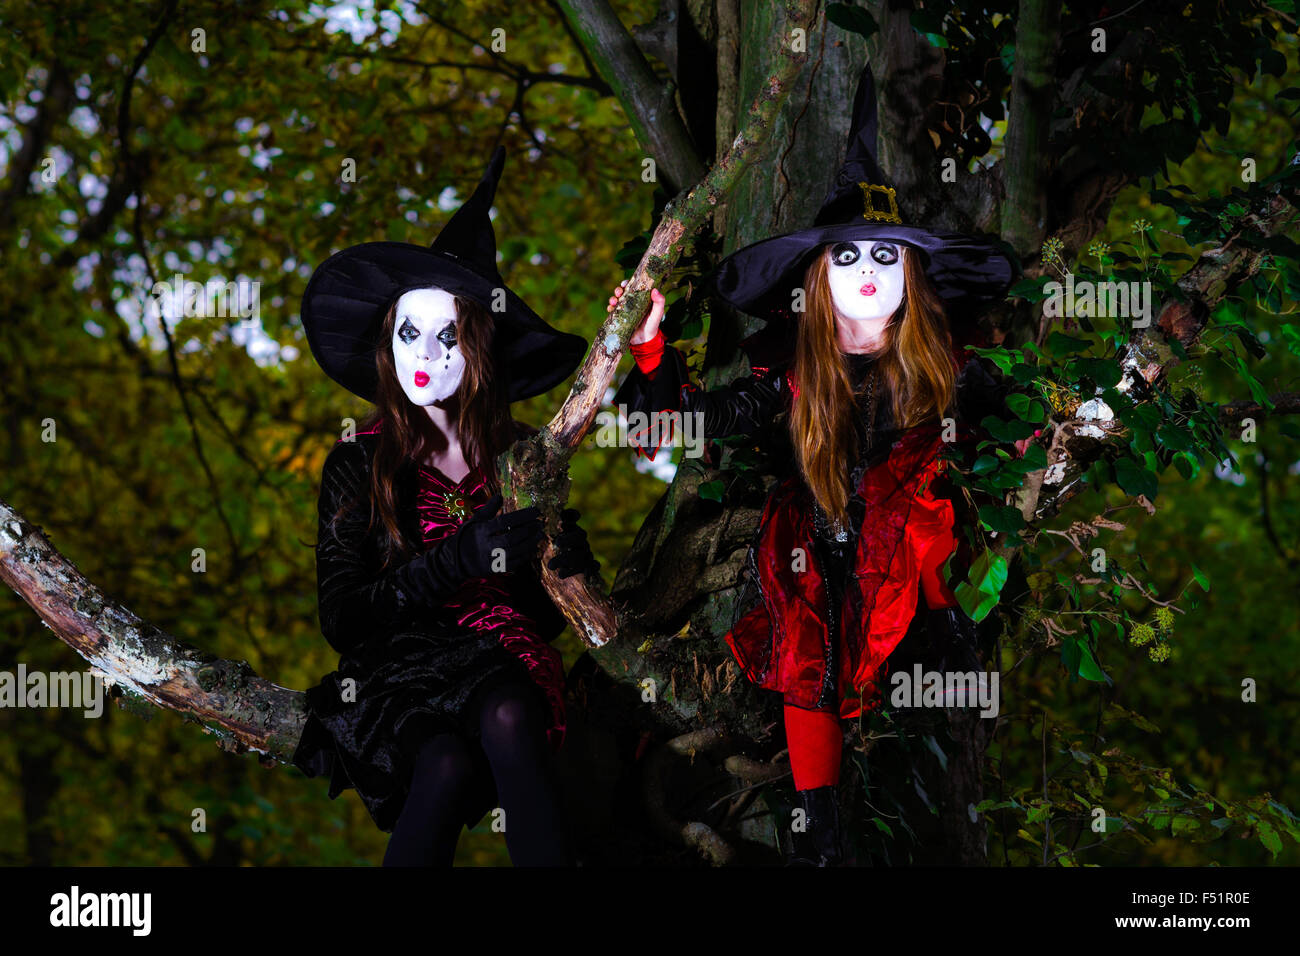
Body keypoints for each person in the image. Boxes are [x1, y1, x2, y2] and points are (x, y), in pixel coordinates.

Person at [610, 63, 1019, 865]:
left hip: (920, 549)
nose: (865, 271)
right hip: (820, 538)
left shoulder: (947, 365)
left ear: (911, 275)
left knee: (921, 496)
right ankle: (816, 821)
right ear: (818, 276)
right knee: (808, 641)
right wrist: (652, 348)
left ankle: (947, 624)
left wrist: (1081, 418)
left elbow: (1020, 430)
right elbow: (712, 417)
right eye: (845, 257)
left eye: (884, 256)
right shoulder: (796, 366)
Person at [292, 147, 598, 866]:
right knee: (444, 766)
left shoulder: (524, 458)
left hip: (503, 669)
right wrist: (454, 560)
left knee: (508, 710)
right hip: (404, 674)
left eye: (448, 334)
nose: (424, 352)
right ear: (384, 342)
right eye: (408, 331)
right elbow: (343, 618)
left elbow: (543, 614)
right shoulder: (357, 462)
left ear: (481, 345)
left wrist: (569, 569)